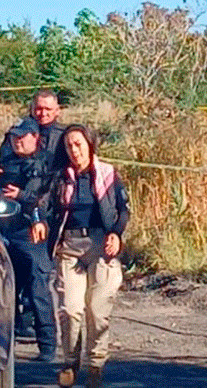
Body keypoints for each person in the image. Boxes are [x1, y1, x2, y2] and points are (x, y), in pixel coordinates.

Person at [31, 124, 130, 388]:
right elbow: (41, 205)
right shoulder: (60, 177)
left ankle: (96, 365)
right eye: (69, 146)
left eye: (78, 144)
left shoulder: (108, 174)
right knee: (71, 310)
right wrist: (39, 222)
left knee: (97, 312)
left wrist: (116, 234)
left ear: (89, 144)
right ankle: (70, 363)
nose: (74, 150)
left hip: (101, 246)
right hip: (70, 247)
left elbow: (123, 209)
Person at [0, 117, 58, 362]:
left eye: (22, 137)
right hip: (4, 230)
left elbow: (44, 197)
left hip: (30, 231)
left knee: (38, 287)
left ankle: (47, 345)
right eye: (14, 137)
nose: (17, 142)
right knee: (4, 288)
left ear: (35, 138)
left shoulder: (44, 163)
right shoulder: (6, 162)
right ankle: (6, 342)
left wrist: (21, 195)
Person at [0, 89, 67, 171]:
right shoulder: (17, 132)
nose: (43, 113)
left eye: (48, 109)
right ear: (32, 109)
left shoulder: (64, 135)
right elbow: (3, 163)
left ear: (57, 111)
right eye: (39, 109)